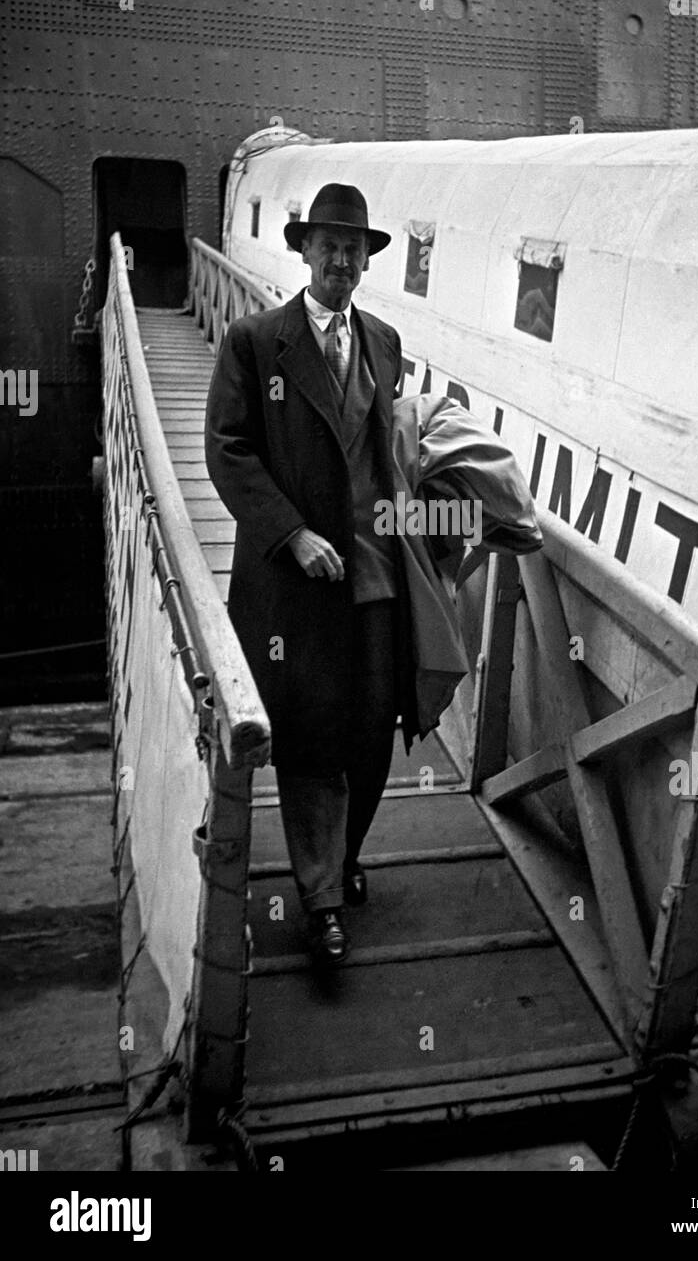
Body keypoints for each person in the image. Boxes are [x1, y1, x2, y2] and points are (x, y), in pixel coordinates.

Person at [205, 183, 415, 967]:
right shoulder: (256, 342)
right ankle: (321, 900)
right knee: (311, 737)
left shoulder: (387, 343)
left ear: (366, 260)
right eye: (327, 244)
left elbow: (388, 446)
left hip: (374, 576)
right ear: (303, 251)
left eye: (353, 247)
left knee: (371, 733)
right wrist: (290, 534)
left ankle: (344, 858)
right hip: (297, 587)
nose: (340, 259)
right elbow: (226, 449)